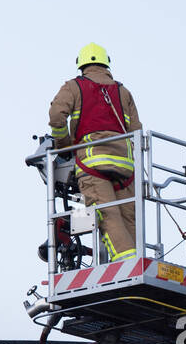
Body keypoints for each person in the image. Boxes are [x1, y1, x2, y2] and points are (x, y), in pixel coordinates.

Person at [48, 43, 142, 261]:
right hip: (126, 169)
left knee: (107, 217)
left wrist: (64, 145)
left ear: (81, 66)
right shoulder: (123, 91)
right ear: (106, 64)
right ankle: (137, 263)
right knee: (130, 220)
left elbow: (56, 115)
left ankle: (127, 266)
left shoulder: (73, 87)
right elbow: (136, 131)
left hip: (92, 165)